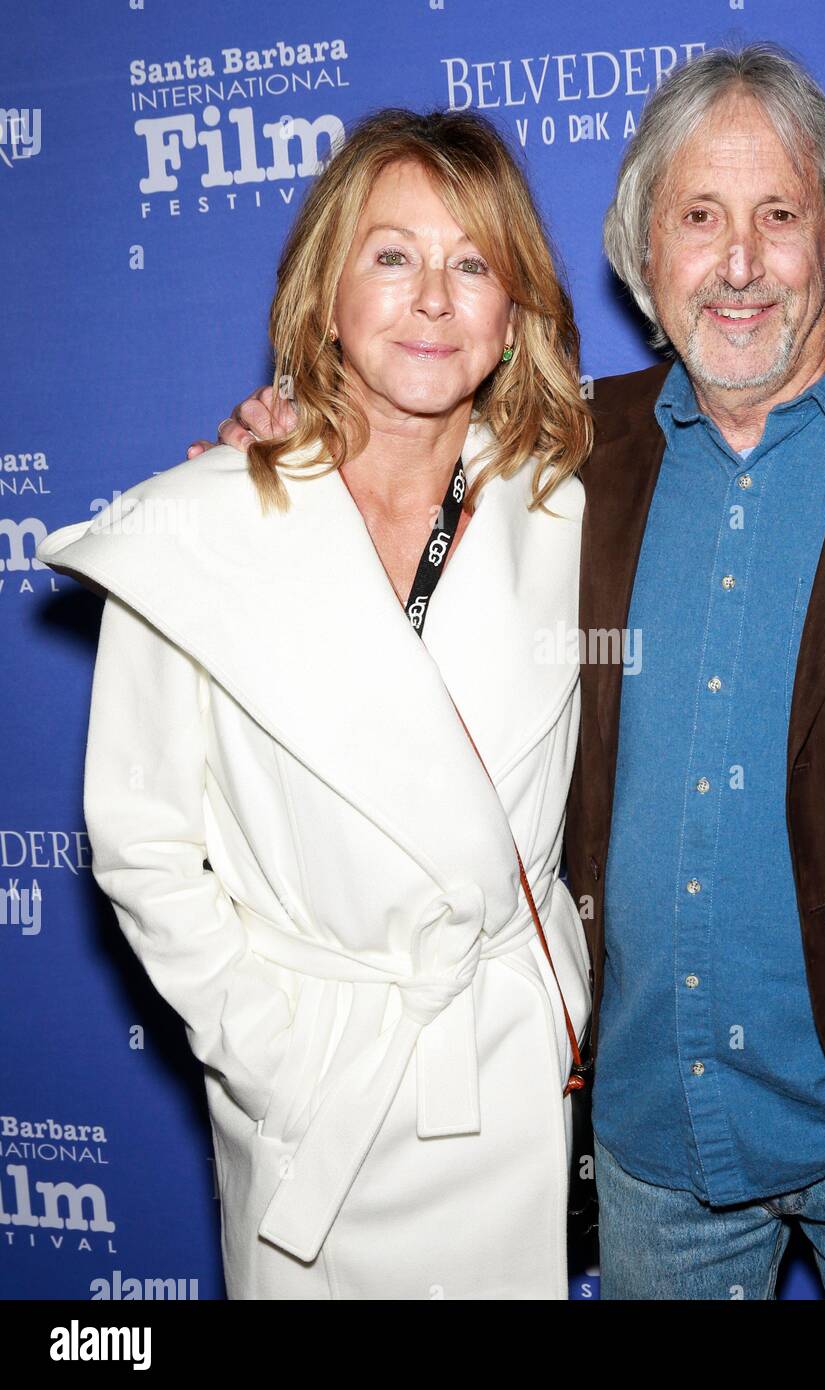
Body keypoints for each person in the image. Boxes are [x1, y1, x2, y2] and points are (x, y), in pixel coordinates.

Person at [200, 44, 825, 1301]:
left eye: (778, 217)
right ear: (646, 255)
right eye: (698, 218)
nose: (738, 262)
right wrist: (285, 449)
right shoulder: (566, 457)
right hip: (649, 1144)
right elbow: (390, 446)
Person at [36, 106, 593, 1300]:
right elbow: (140, 842)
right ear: (325, 289)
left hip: (506, 1087)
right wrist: (270, 1051)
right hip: (321, 1104)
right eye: (393, 256)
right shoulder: (196, 529)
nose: (434, 299)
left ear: (515, 314)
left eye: (473, 263)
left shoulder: (577, 513)